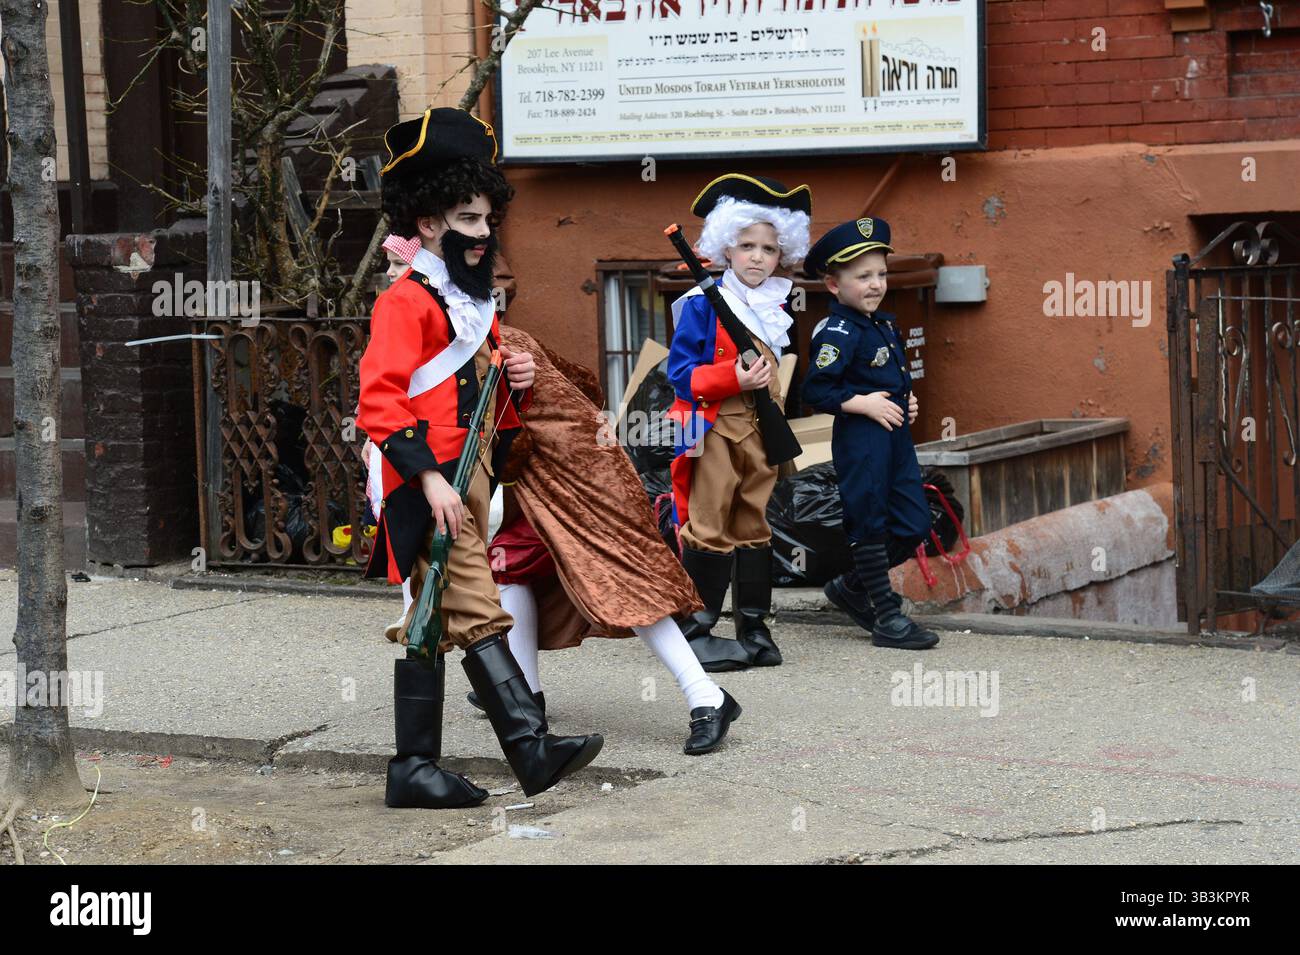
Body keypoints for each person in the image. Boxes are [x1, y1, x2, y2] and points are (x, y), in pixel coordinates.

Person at [380, 238, 742, 755]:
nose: (395, 275)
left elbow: (570, 407)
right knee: (509, 569)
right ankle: (527, 700)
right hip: (499, 484)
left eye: (405, 265)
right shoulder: (415, 334)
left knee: (618, 575)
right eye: (390, 265)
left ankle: (706, 696)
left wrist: (517, 392)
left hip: (560, 478)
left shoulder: (493, 337)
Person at [359, 107, 604, 809]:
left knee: (432, 619)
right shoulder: (407, 303)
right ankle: (530, 747)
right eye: (468, 217)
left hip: (468, 478)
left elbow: (477, 403)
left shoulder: (471, 306)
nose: (482, 232)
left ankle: (413, 768)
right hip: (424, 483)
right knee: (473, 600)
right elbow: (381, 402)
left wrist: (513, 383)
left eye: (488, 217)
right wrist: (431, 479)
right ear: (429, 222)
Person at [666, 173, 811, 672]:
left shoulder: (774, 304)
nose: (756, 257)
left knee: (753, 523)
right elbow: (680, 376)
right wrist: (733, 378)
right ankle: (696, 628)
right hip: (712, 428)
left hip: (758, 431)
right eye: (746, 245)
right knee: (708, 525)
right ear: (726, 248)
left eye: (768, 249)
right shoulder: (701, 304)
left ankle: (753, 624)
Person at [800, 217, 940, 650]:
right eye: (863, 277)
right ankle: (886, 616)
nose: (876, 284)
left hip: (893, 437)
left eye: (880, 273)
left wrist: (904, 401)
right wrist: (863, 403)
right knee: (870, 521)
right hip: (862, 440)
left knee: (914, 521)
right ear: (833, 285)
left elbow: (888, 376)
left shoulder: (880, 323)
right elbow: (816, 388)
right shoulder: (838, 331)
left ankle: (852, 587)